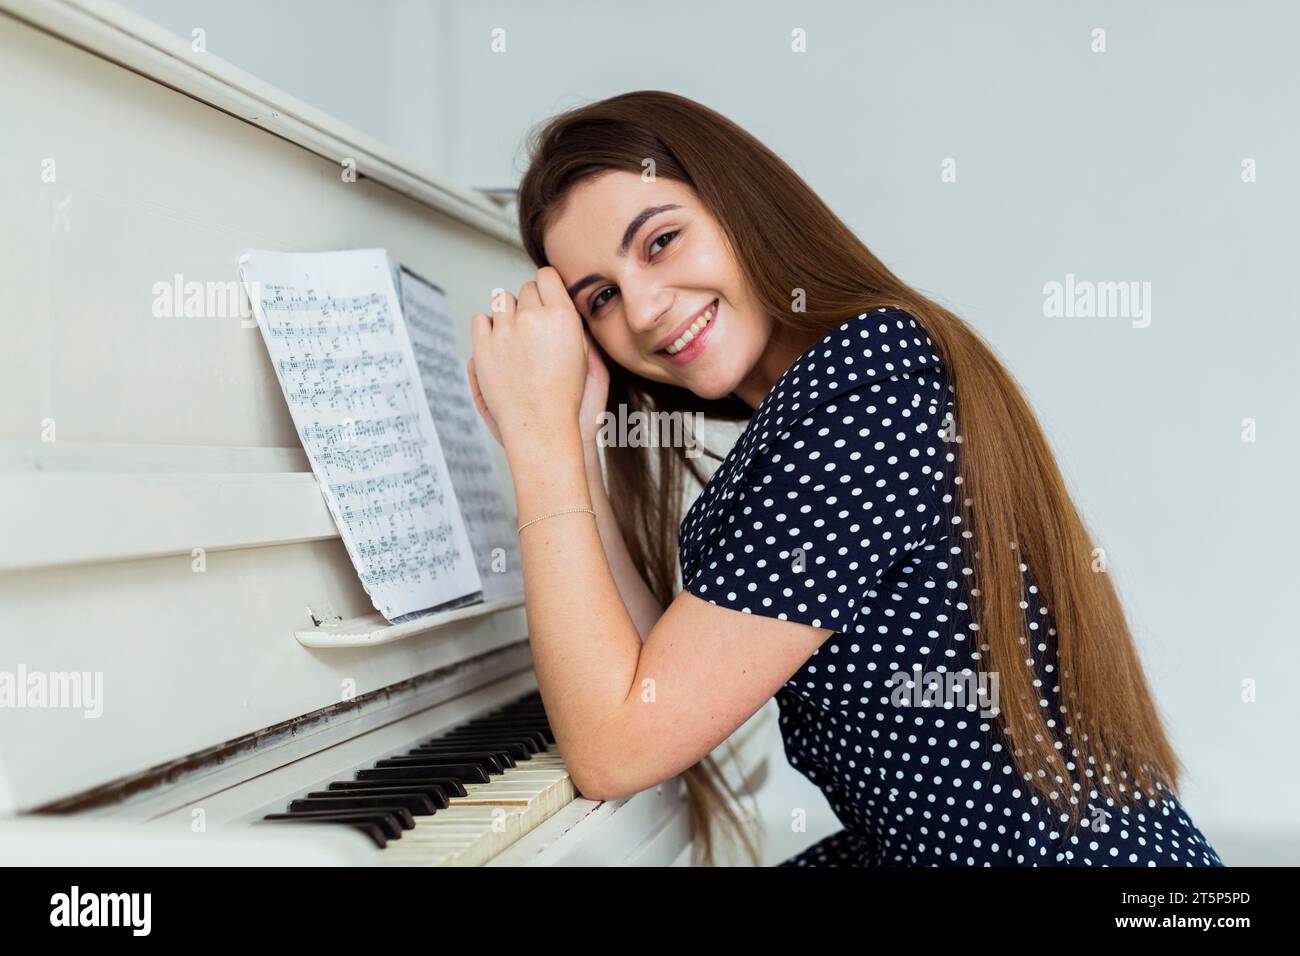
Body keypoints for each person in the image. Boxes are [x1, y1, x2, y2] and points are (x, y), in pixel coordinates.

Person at [466, 90, 1223, 867]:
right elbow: (654, 685)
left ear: (741, 206)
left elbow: (617, 747)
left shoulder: (863, 395)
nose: (647, 309)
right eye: (602, 299)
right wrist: (572, 441)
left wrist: (538, 451)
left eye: (659, 242)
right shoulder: (846, 382)